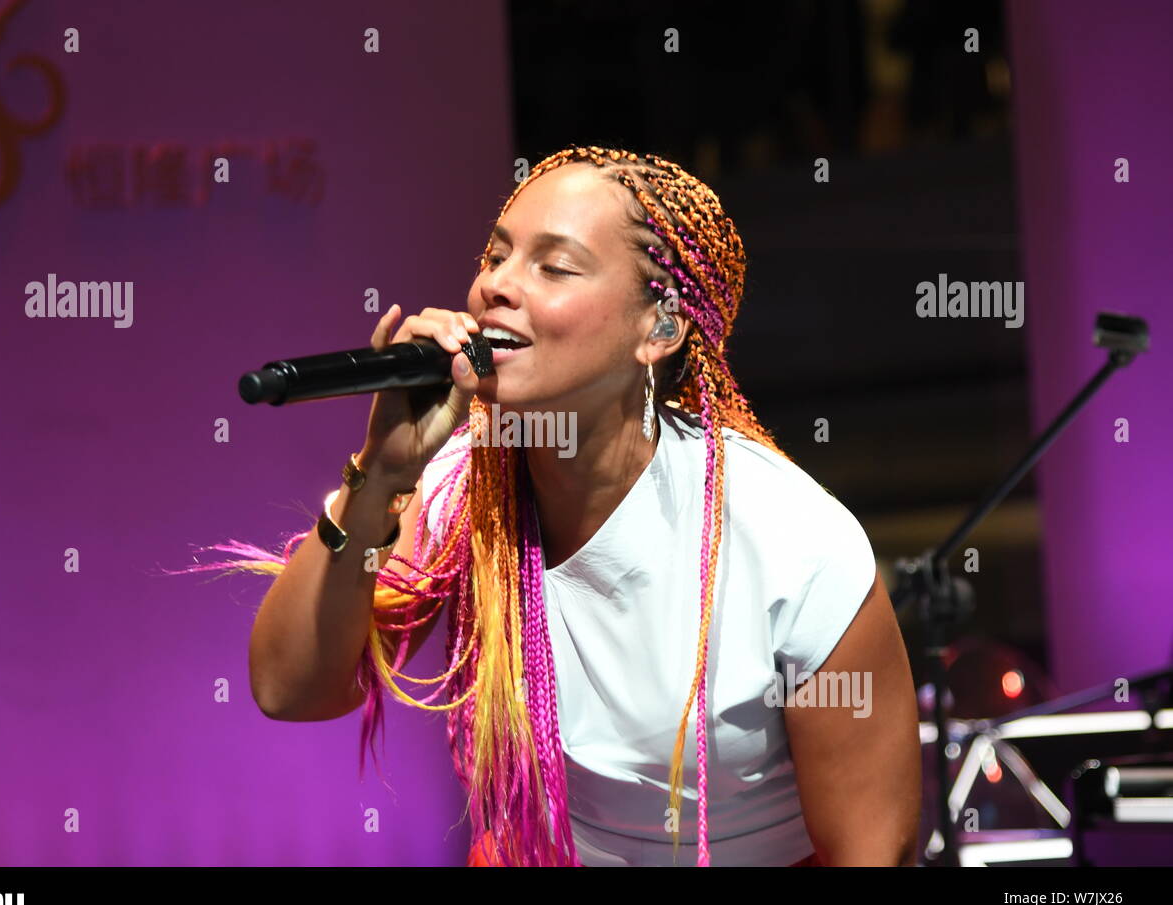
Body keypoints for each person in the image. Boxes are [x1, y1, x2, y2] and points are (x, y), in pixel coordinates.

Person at [186, 145, 921, 867]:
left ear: (659, 328)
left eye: (554, 266)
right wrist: (380, 474)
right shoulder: (460, 483)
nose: (498, 286)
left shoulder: (791, 540)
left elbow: (870, 849)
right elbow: (291, 689)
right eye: (496, 255)